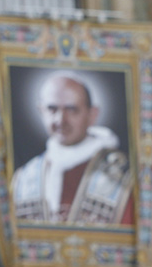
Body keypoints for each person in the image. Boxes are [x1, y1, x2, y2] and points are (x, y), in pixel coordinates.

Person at [11, 71, 133, 225]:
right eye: (52, 109)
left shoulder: (121, 175)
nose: (61, 120)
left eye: (71, 109)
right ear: (41, 111)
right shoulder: (24, 178)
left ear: (92, 114)